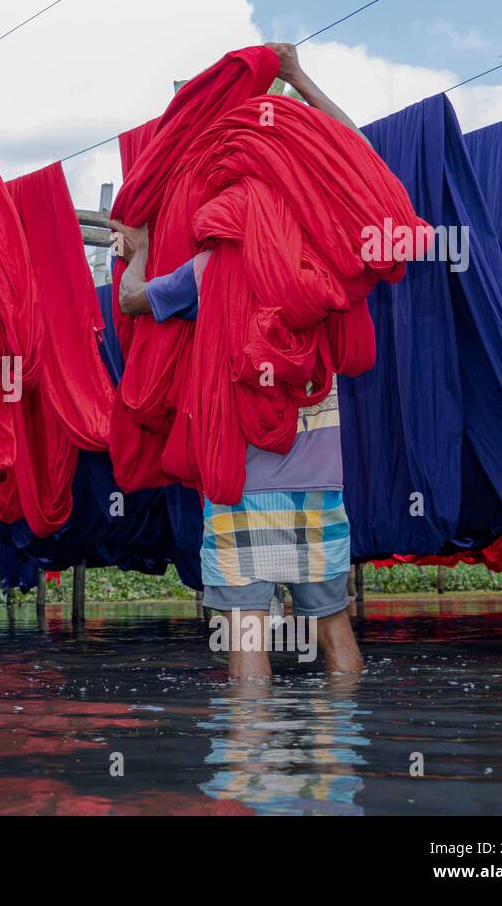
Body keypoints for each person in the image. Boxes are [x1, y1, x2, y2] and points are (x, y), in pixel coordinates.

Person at [113, 42, 365, 681]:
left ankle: (250, 766)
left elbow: (133, 300)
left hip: (239, 473)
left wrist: (139, 246)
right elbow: (362, 167)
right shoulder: (325, 255)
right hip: (317, 477)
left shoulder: (209, 266)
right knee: (333, 626)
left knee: (244, 630)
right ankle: (339, 769)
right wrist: (298, 77)